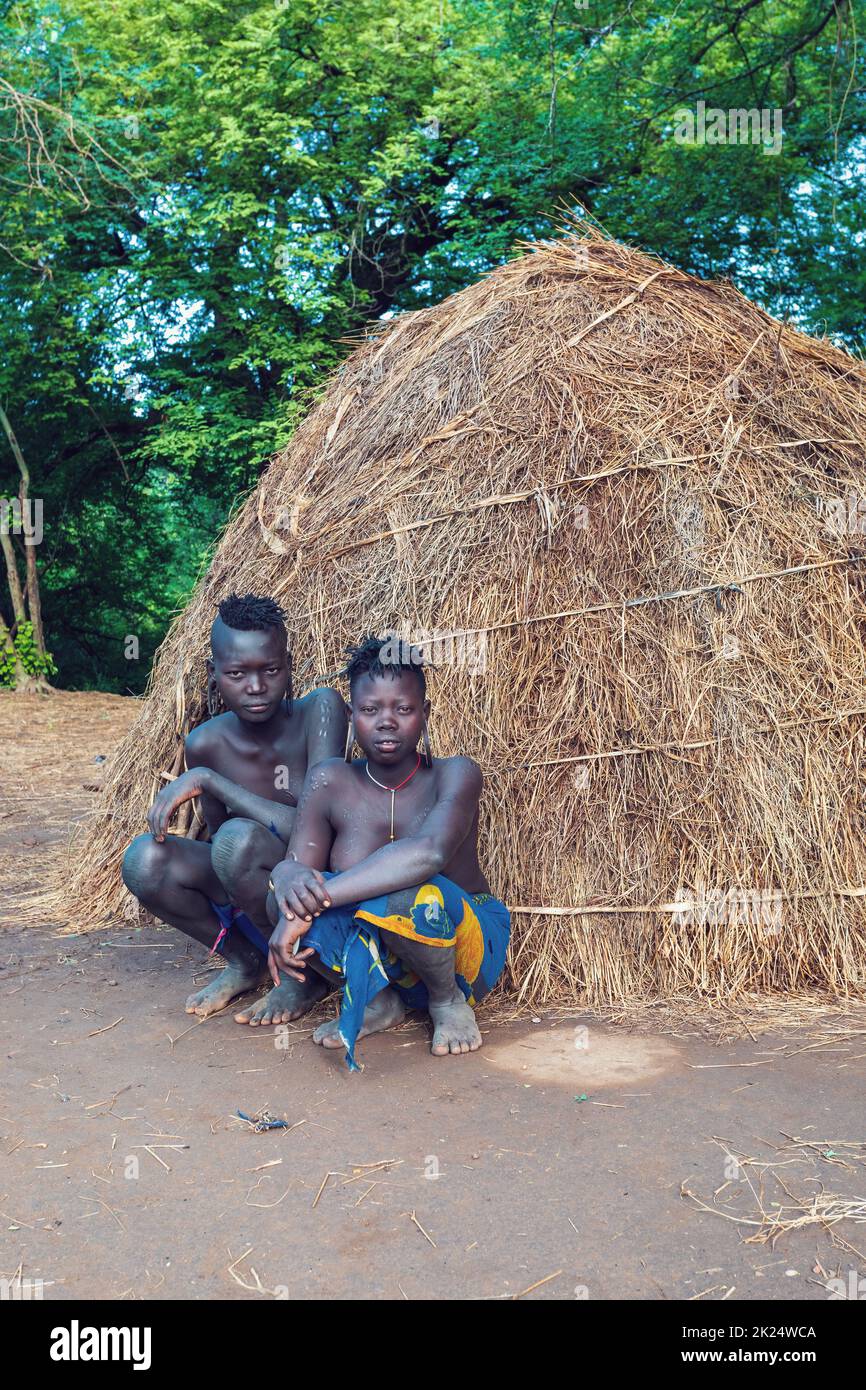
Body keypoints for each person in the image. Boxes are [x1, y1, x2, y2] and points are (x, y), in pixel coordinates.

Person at [267, 634, 510, 1070]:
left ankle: (447, 1002)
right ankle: (377, 998)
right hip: (382, 950)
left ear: (426, 714)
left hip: (462, 949)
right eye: (369, 710)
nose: (386, 722)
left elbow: (428, 855)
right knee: (285, 899)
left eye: (403, 709)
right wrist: (287, 879)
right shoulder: (329, 781)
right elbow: (299, 867)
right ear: (349, 715)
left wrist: (318, 897)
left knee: (407, 891)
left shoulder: (456, 774)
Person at [121, 593, 347, 1021]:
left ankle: (302, 976)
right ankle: (247, 959)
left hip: (317, 876)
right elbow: (220, 836)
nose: (257, 687)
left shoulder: (321, 709)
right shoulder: (205, 742)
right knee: (144, 860)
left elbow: (314, 827)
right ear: (214, 674)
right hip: (253, 884)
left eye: (271, 670)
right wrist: (211, 777)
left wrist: (211, 781)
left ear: (289, 665)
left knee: (237, 840)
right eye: (238, 673)